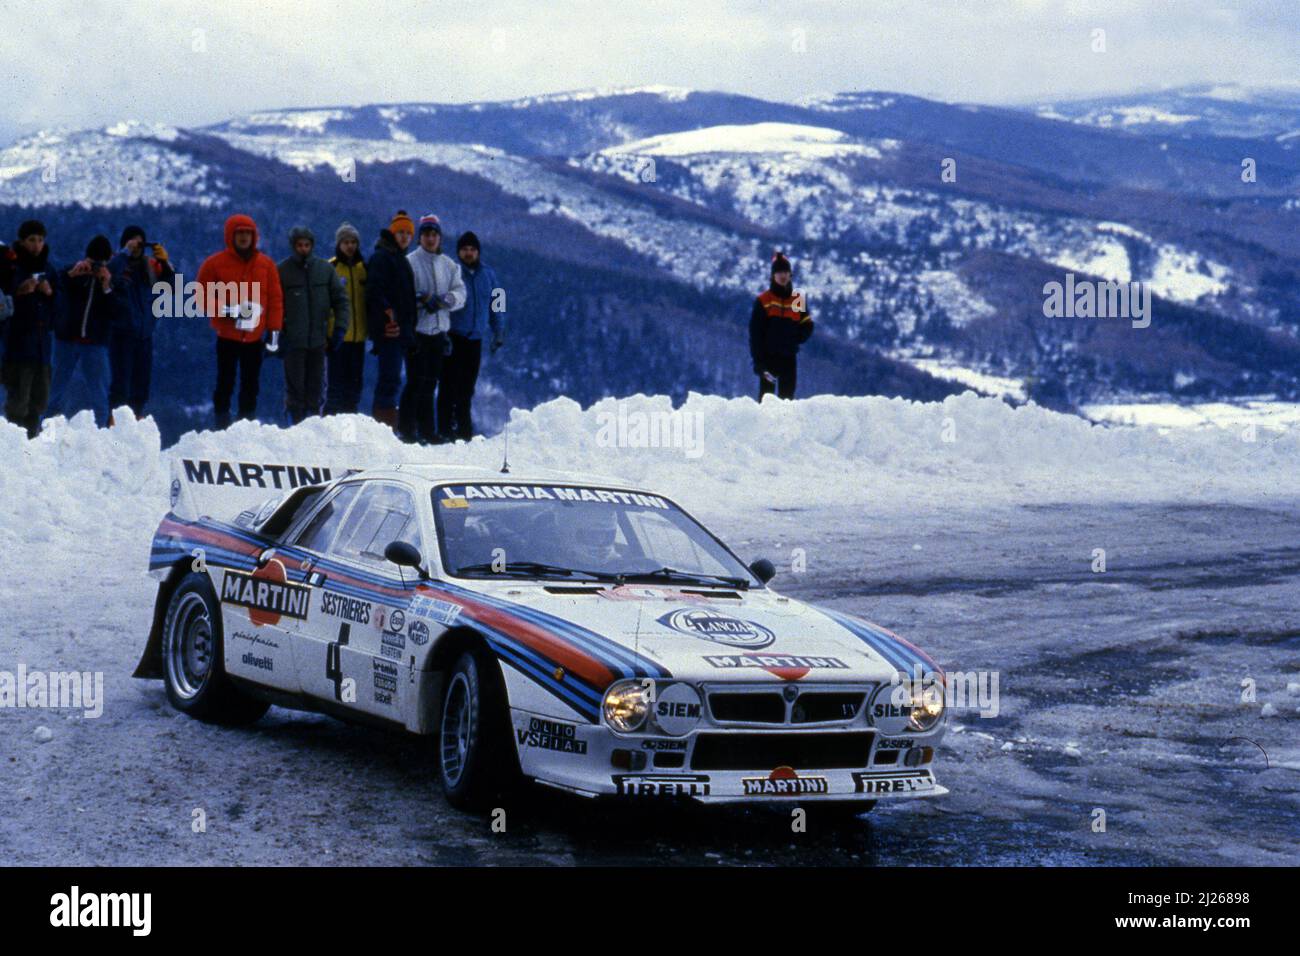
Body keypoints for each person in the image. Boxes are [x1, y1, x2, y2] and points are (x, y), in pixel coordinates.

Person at [197, 213, 284, 428]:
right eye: (240, 233)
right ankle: (222, 427)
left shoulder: (267, 265)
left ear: (254, 236)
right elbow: (201, 296)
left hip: (254, 338)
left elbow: (275, 300)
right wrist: (228, 311)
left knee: (251, 385)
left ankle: (245, 427)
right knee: (224, 383)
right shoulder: (214, 264)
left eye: (248, 233)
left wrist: (274, 333)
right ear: (230, 236)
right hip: (227, 336)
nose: (244, 237)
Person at [278, 226, 349, 423]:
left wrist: (339, 329)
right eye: (299, 245)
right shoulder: (282, 271)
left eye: (307, 245)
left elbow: (341, 300)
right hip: (293, 341)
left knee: (316, 388)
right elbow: (274, 305)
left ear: (312, 246)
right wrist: (277, 334)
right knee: (295, 389)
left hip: (319, 340)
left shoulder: (325, 270)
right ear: (293, 246)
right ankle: (296, 427)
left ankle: (313, 426)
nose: (303, 249)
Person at [404, 213, 465, 444]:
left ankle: (428, 431)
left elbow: (461, 294)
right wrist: (421, 298)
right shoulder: (410, 262)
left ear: (439, 238)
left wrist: (447, 299)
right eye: (427, 235)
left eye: (434, 235)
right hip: (418, 331)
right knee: (414, 381)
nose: (431, 239)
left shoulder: (449, 265)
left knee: (431, 382)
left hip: (439, 332)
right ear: (420, 238)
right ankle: (408, 429)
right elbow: (403, 293)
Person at [440, 230, 505, 440]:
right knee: (448, 386)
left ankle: (464, 431)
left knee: (467, 389)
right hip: (453, 336)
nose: (468, 253)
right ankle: (444, 429)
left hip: (475, 339)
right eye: (465, 249)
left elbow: (498, 304)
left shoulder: (490, 275)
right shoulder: (452, 274)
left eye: (472, 249)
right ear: (459, 252)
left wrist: (498, 331)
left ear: (478, 252)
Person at [47, 235, 116, 427]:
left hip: (95, 342)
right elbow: (54, 291)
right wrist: (71, 276)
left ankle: (102, 435)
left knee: (100, 395)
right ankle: (45, 433)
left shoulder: (113, 280)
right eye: (93, 263)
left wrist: (107, 287)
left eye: (100, 264)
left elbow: (118, 312)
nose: (95, 268)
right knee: (54, 391)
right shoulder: (70, 273)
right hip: (66, 340)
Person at [107, 225, 175, 420]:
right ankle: (113, 426)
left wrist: (165, 262)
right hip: (121, 334)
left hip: (144, 335)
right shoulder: (117, 263)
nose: (136, 247)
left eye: (139, 242)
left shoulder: (150, 266)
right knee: (120, 386)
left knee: (141, 387)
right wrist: (124, 253)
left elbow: (173, 287)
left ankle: (136, 424)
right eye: (132, 242)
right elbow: (109, 274)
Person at [3, 220, 59, 437]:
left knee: (39, 400)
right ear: (22, 241)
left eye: (40, 240)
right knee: (18, 400)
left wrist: (50, 294)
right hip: (18, 346)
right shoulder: (11, 267)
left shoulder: (48, 269)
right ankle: (14, 444)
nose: (37, 245)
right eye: (32, 240)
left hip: (42, 347)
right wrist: (19, 292)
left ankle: (31, 443)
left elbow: (59, 310)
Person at [365, 210, 418, 432]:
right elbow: (375, 290)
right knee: (390, 379)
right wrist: (388, 315)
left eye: (408, 233)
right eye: (401, 232)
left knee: (394, 380)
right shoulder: (383, 257)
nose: (405, 236)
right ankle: (382, 429)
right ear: (392, 233)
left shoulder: (399, 257)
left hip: (402, 331)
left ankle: (387, 428)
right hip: (390, 330)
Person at [749, 251, 813, 400]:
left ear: (790, 275)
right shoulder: (764, 300)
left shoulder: (797, 298)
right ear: (773, 275)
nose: (783, 275)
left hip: (789, 358)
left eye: (786, 272)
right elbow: (755, 334)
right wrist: (758, 362)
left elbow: (807, 325)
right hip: (768, 358)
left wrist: (795, 339)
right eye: (779, 272)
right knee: (766, 400)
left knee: (787, 401)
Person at [324, 222, 367, 415]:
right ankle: (329, 430)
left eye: (353, 242)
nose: (350, 246)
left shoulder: (364, 269)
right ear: (338, 244)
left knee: (354, 389)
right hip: (337, 338)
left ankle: (349, 432)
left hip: (359, 338)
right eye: (346, 242)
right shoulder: (330, 268)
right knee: (335, 388)